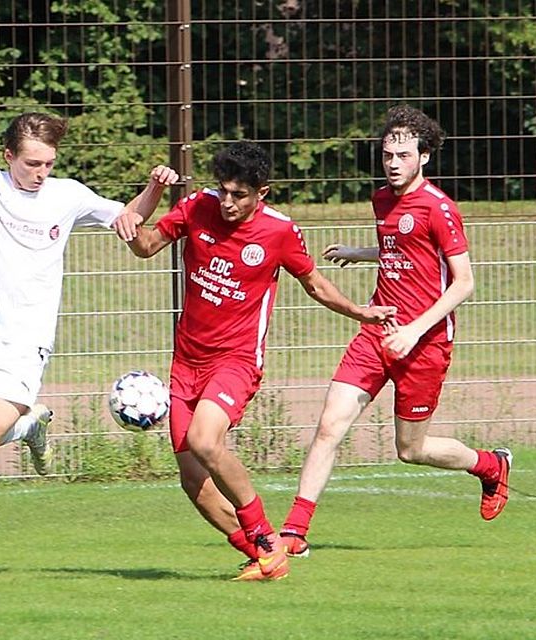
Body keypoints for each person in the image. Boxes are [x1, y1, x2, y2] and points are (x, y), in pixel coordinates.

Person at [0, 53, 176, 586]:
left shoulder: (67, 196)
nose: (41, 172)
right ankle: (29, 426)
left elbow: (127, 219)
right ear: (9, 157)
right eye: (32, 163)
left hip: (25, 343)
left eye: (48, 163)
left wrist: (154, 189)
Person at [120, 141, 396, 581]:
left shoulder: (279, 232)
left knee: (207, 442)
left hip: (237, 358)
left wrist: (360, 312)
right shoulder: (197, 207)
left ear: (261, 193)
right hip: (186, 361)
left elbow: (316, 285)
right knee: (193, 481)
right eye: (223, 191)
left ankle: (265, 535)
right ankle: (262, 558)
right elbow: (145, 244)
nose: (227, 202)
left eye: (239, 195)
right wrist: (142, 205)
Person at [278, 105, 513, 559]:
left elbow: (464, 281)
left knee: (411, 449)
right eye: (387, 154)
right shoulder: (382, 199)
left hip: (424, 343)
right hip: (377, 330)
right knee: (330, 424)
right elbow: (401, 247)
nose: (392, 162)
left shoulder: (440, 208)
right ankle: (294, 531)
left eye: (402, 155)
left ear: (424, 156)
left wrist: (414, 329)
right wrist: (361, 251)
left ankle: (490, 465)